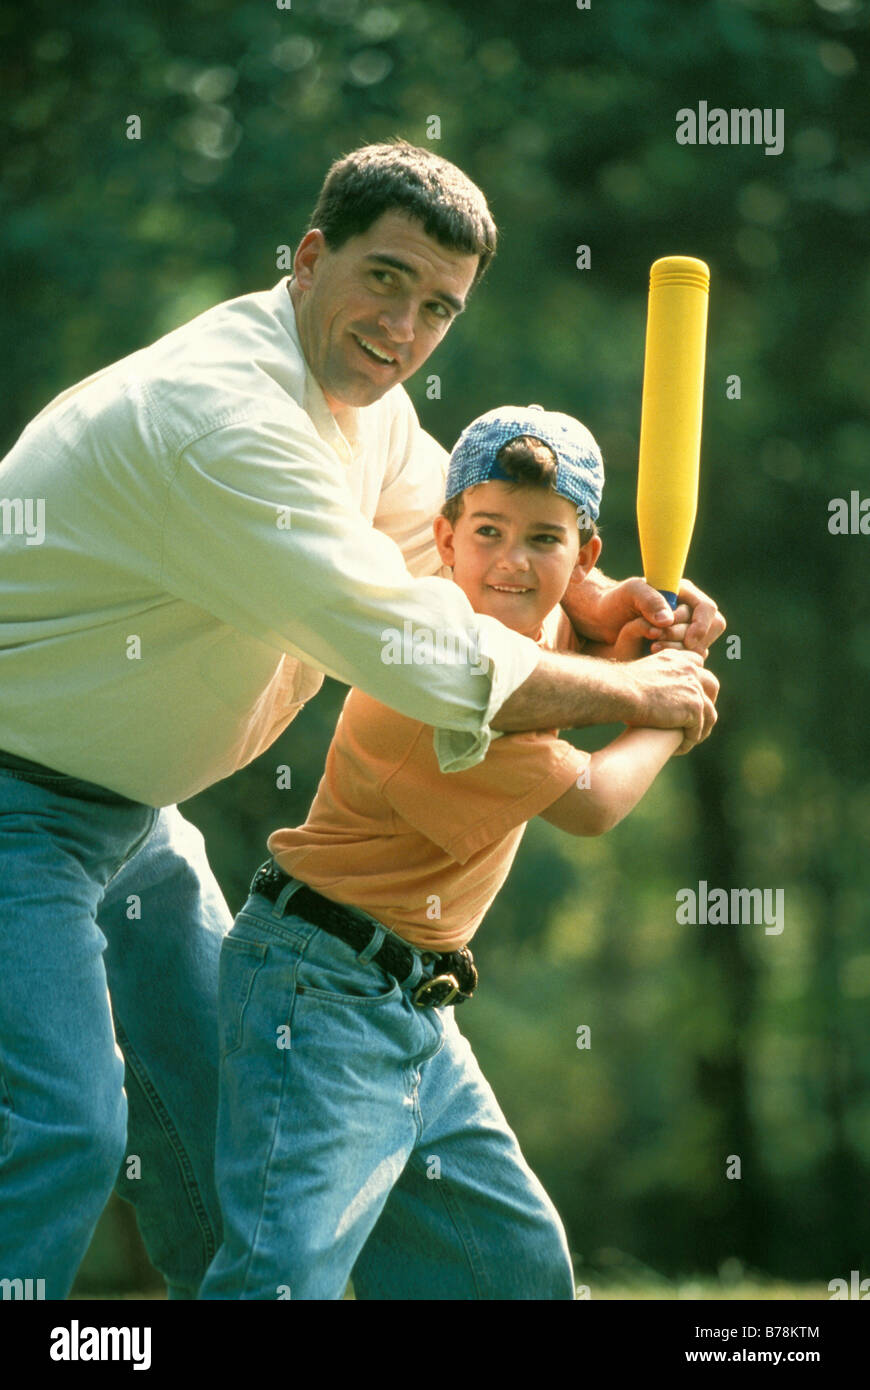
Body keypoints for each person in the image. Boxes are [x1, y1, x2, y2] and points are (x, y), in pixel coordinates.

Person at [0, 140, 721, 1299]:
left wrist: (593, 602)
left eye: (439, 305)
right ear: (311, 256)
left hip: (134, 819)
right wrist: (644, 696)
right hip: (13, 804)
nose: (405, 325)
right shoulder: (229, 422)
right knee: (59, 1129)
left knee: (215, 1119)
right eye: (386, 278)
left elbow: (430, 539)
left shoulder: (359, 406)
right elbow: (422, 649)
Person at [199, 405, 707, 1301]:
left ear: (583, 558)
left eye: (544, 539)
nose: (512, 560)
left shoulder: (526, 641)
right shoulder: (440, 677)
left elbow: (562, 662)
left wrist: (632, 641)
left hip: (414, 1001)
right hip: (320, 991)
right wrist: (666, 710)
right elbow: (591, 802)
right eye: (488, 532)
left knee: (508, 1270)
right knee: (283, 1275)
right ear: (444, 539)